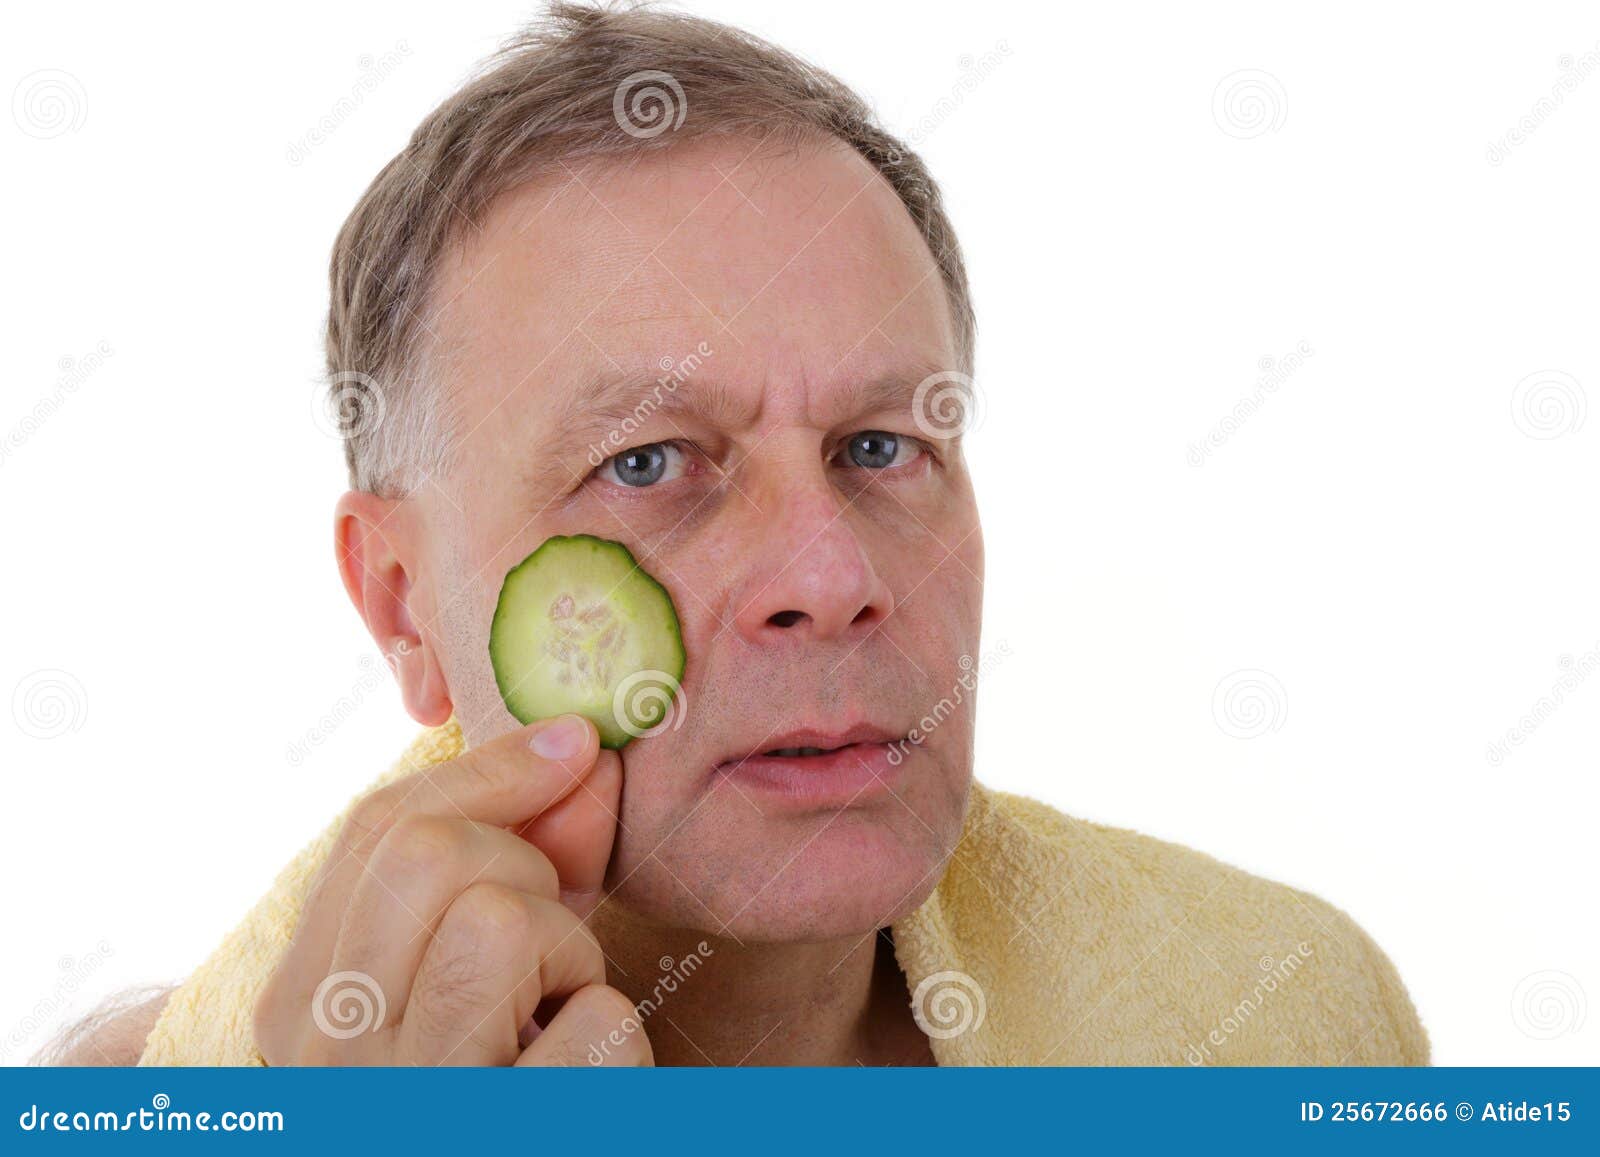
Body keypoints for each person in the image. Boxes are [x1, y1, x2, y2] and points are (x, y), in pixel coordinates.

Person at [54, 2, 1426, 1067]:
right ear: (404, 602)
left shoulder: (1295, 1015)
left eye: (881, 446)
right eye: (647, 464)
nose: (832, 579)